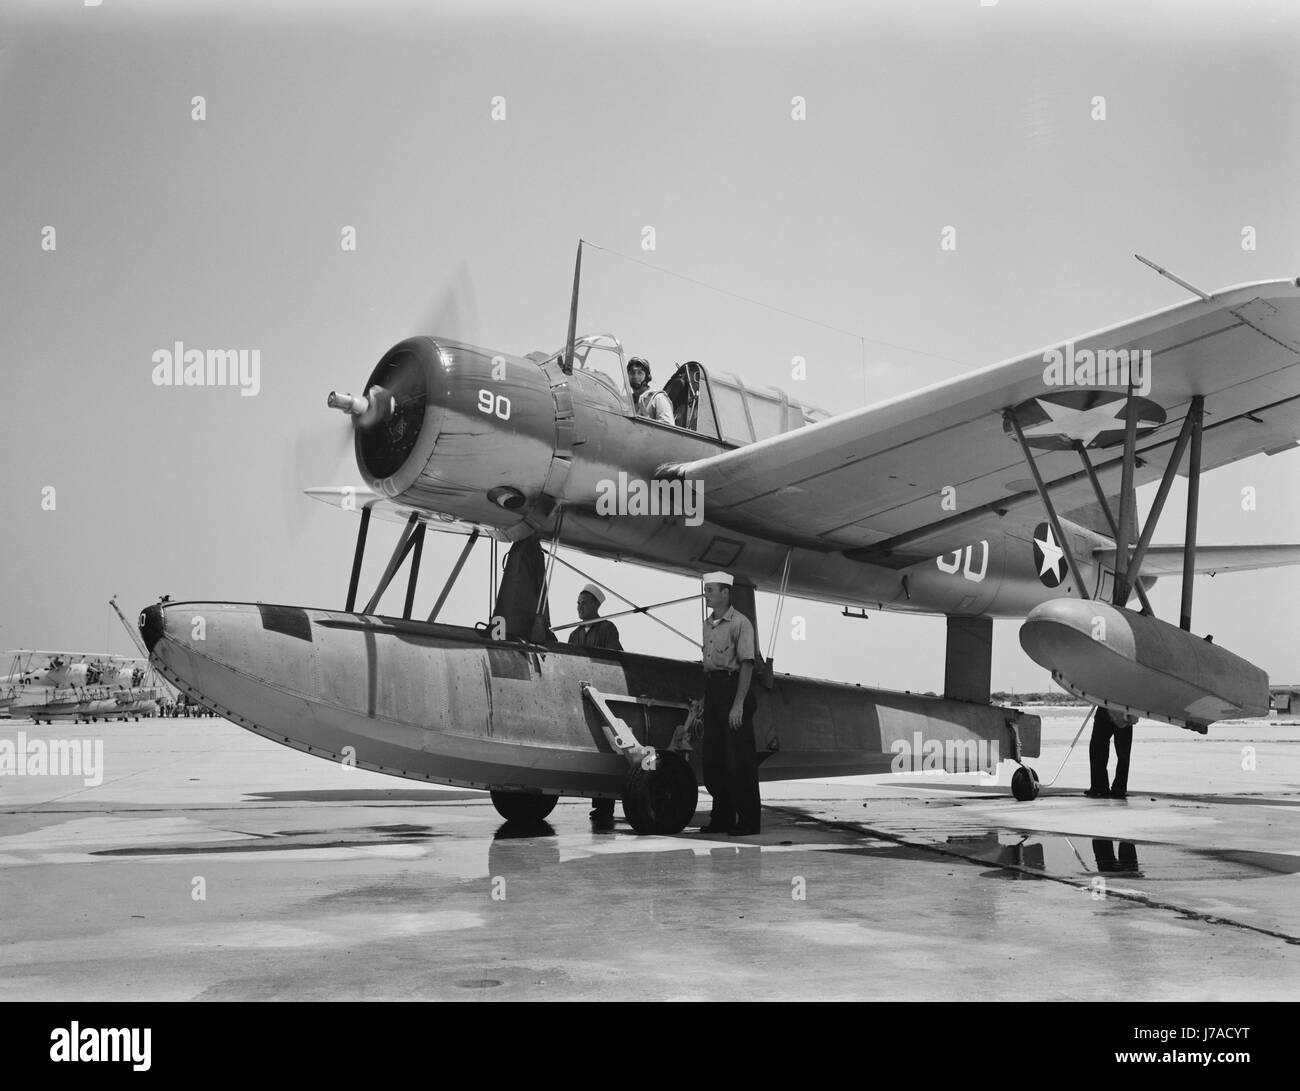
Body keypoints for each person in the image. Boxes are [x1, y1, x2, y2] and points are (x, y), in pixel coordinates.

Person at [696, 571, 761, 836]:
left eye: (711, 590)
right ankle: (721, 818)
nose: (707, 595)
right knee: (714, 759)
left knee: (740, 762)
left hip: (735, 689)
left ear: (725, 593)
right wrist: (705, 699)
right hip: (714, 690)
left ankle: (748, 821)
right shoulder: (707, 624)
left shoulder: (740, 623)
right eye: (706, 589)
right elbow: (710, 666)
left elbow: (747, 664)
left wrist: (738, 705)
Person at [568, 584, 622, 825]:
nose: (579, 607)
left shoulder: (608, 628)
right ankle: (598, 804)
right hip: (584, 695)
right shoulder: (575, 633)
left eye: (584, 603)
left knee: (606, 746)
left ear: (596, 606)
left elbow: (611, 660)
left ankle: (605, 807)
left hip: (602, 696)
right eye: (578, 603)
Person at [1086, 706, 1134, 799]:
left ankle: (1117, 788)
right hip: (1107, 707)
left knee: (1123, 753)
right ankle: (1100, 786)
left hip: (1124, 709)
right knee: (1097, 748)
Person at [627, 357, 675, 425]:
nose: (635, 376)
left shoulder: (658, 398)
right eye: (632, 373)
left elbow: (668, 429)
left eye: (640, 373)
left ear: (647, 376)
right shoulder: (626, 403)